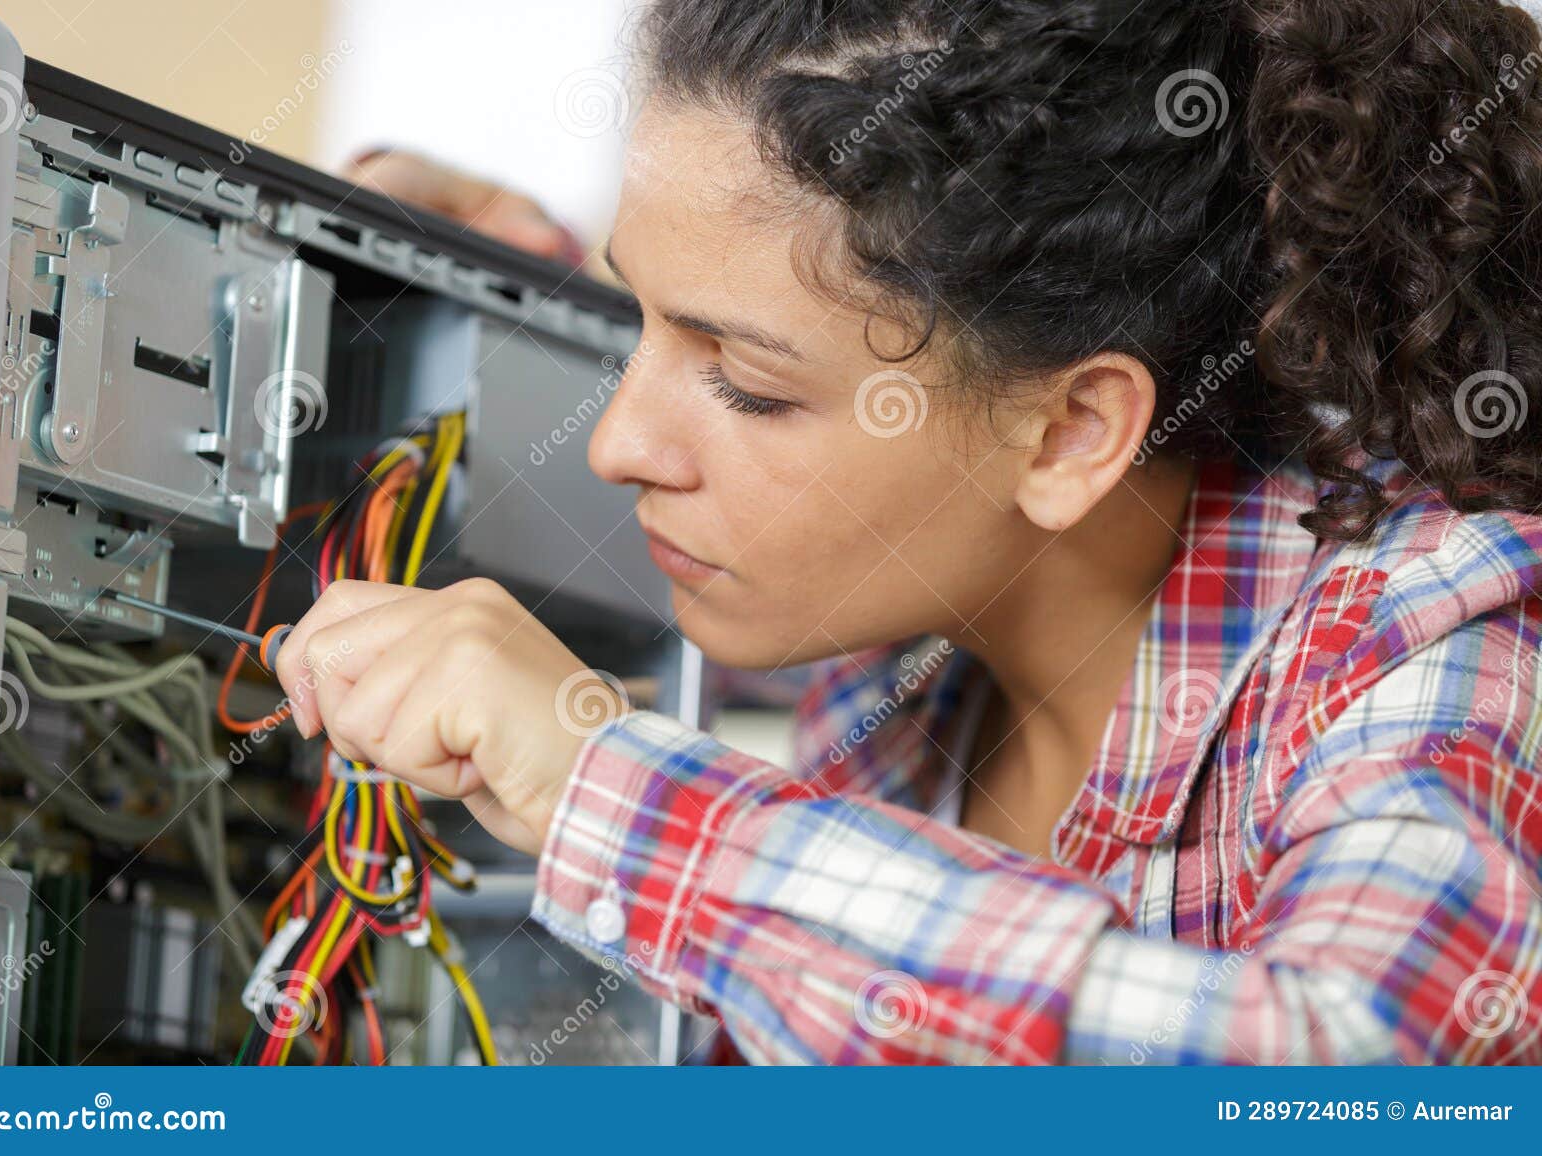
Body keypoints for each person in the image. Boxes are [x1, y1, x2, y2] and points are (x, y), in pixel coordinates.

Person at [275, 0, 1542, 1064]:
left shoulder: (1433, 633)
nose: (615, 447)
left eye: (749, 388)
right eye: (634, 317)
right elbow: (831, 322)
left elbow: (1357, 1064)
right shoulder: (892, 647)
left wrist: (595, 788)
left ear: (1068, 432)